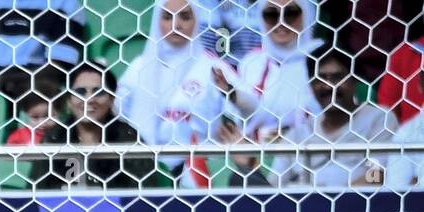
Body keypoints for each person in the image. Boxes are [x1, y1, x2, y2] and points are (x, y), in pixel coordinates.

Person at [117, 0, 241, 187]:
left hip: (204, 174)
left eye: (185, 16)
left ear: (197, 20)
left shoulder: (215, 69)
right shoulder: (138, 68)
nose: (176, 25)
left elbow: (240, 116)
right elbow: (117, 115)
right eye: (167, 17)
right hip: (142, 173)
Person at [282, 45, 397, 187]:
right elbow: (273, 184)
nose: (329, 86)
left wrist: (336, 200)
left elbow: (376, 175)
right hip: (301, 206)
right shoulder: (300, 133)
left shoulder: (378, 119)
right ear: (311, 85)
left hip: (357, 205)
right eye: (321, 78)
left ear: (354, 80)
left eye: (338, 78)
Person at [34, 62, 157, 188]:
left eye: (98, 92)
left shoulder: (129, 138)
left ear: (111, 99)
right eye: (80, 92)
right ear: (69, 100)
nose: (89, 99)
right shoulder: (55, 138)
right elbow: (35, 192)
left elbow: (145, 193)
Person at [232, 0, 320, 139]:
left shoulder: (323, 59)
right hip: (260, 155)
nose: (281, 22)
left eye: (291, 13)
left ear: (308, 13)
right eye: (271, 14)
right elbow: (240, 122)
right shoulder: (252, 63)